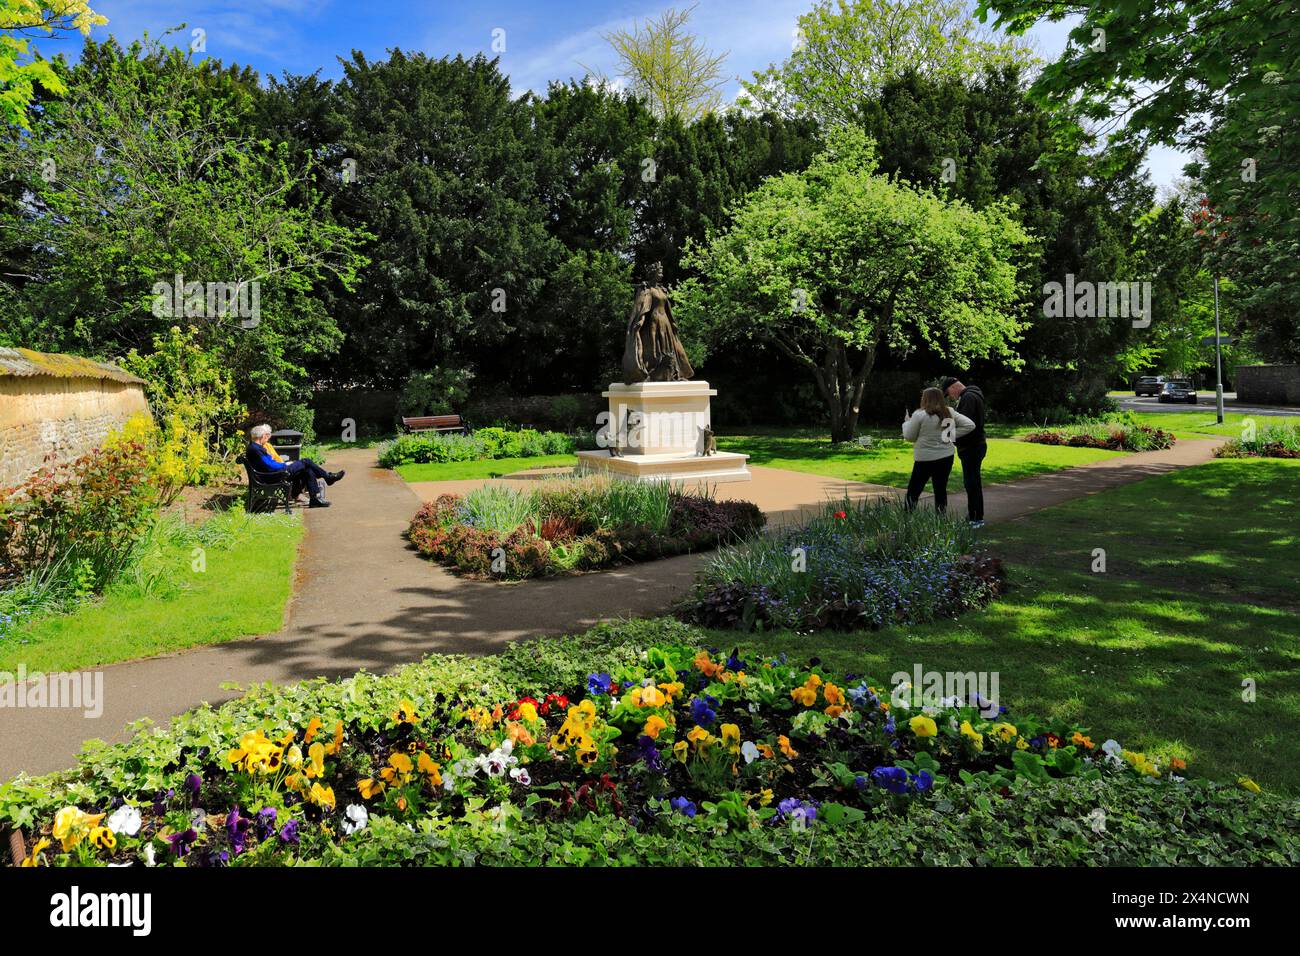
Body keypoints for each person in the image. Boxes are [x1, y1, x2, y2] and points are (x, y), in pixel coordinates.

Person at [901, 387, 975, 513]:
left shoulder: (919, 415)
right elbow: (970, 425)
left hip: (924, 458)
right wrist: (949, 435)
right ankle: (940, 520)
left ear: (925, 399)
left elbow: (910, 437)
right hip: (946, 457)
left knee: (914, 490)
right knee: (940, 489)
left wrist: (906, 423)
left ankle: (906, 518)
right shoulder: (949, 412)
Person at [245, 424, 344, 509]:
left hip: (272, 473)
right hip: (275, 474)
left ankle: (314, 499)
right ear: (262, 436)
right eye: (266, 437)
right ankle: (328, 477)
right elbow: (270, 465)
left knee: (307, 470)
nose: (267, 439)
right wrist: (285, 464)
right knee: (306, 461)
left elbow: (268, 464)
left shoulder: (255, 447)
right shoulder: (255, 449)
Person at [940, 376, 988, 528]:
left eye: (949, 393)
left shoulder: (967, 397)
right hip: (976, 445)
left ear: (954, 387)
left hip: (971, 446)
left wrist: (949, 435)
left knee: (972, 483)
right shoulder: (973, 395)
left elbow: (967, 425)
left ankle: (976, 518)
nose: (951, 397)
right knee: (972, 482)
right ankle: (974, 515)